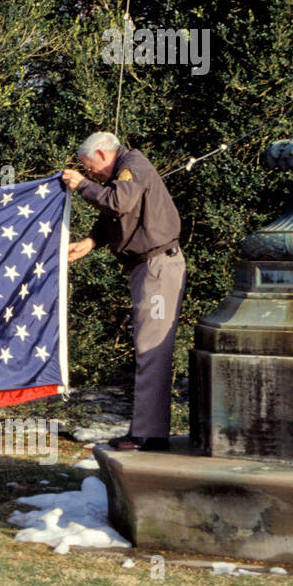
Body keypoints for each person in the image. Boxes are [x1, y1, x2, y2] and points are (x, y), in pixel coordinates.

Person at [61, 132, 185, 452]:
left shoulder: (133, 166)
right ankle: (149, 431)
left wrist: (81, 186)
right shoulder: (125, 172)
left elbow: (118, 202)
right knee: (149, 348)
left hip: (156, 268)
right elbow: (115, 214)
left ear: (103, 154)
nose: (91, 175)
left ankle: (147, 434)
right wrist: (90, 242)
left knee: (151, 349)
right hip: (149, 268)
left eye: (90, 169)